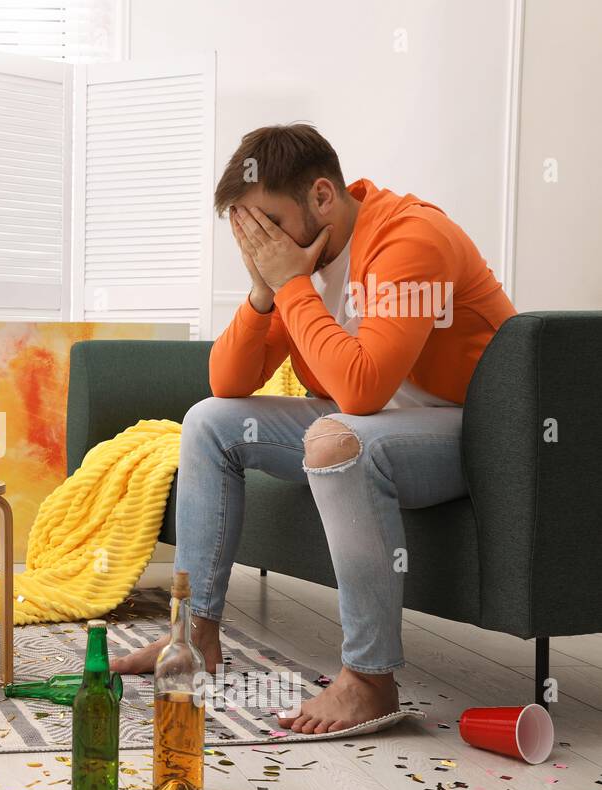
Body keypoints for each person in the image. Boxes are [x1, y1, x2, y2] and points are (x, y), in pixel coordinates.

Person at [111, 124, 516, 734]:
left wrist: (292, 284)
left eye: (269, 224)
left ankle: (370, 680)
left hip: (479, 431)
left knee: (337, 440)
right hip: (378, 427)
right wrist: (262, 291)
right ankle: (193, 637)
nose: (261, 242)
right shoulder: (302, 259)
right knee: (208, 422)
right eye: (248, 232)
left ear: (322, 197)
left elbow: (360, 389)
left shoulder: (410, 238)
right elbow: (228, 382)